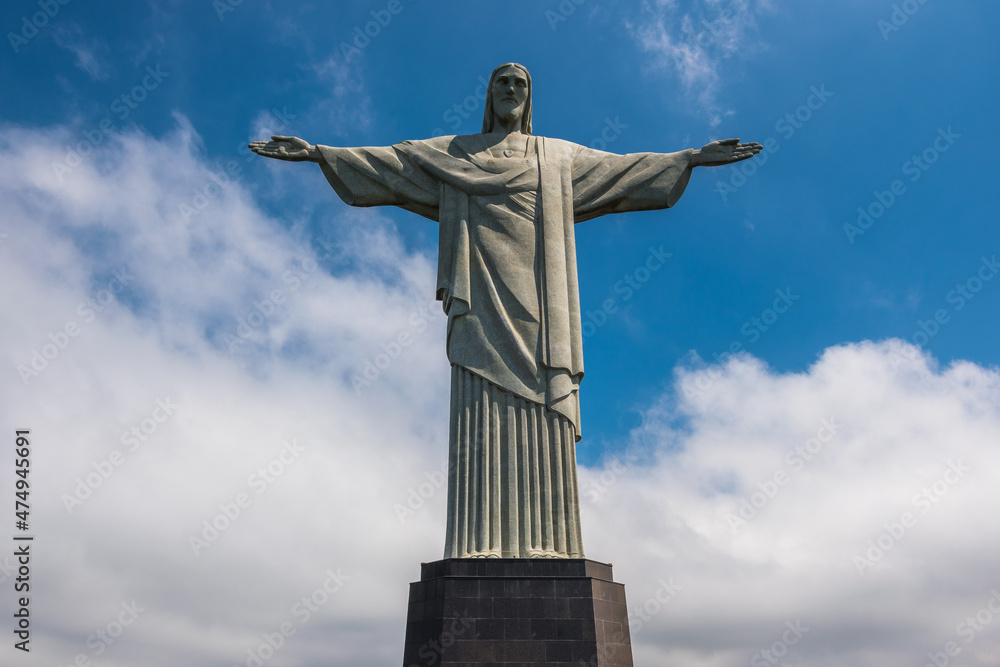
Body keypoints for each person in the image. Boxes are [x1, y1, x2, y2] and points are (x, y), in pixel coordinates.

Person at [250, 62, 761, 559]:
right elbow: (392, 162)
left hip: (542, 301)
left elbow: (621, 168)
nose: (511, 89)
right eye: (502, 82)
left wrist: (689, 158)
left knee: (543, 398)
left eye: (520, 83)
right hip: (479, 295)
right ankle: (477, 544)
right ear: (489, 95)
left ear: (529, 96)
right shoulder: (454, 153)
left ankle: (553, 545)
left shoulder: (557, 156)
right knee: (480, 400)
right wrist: (319, 153)